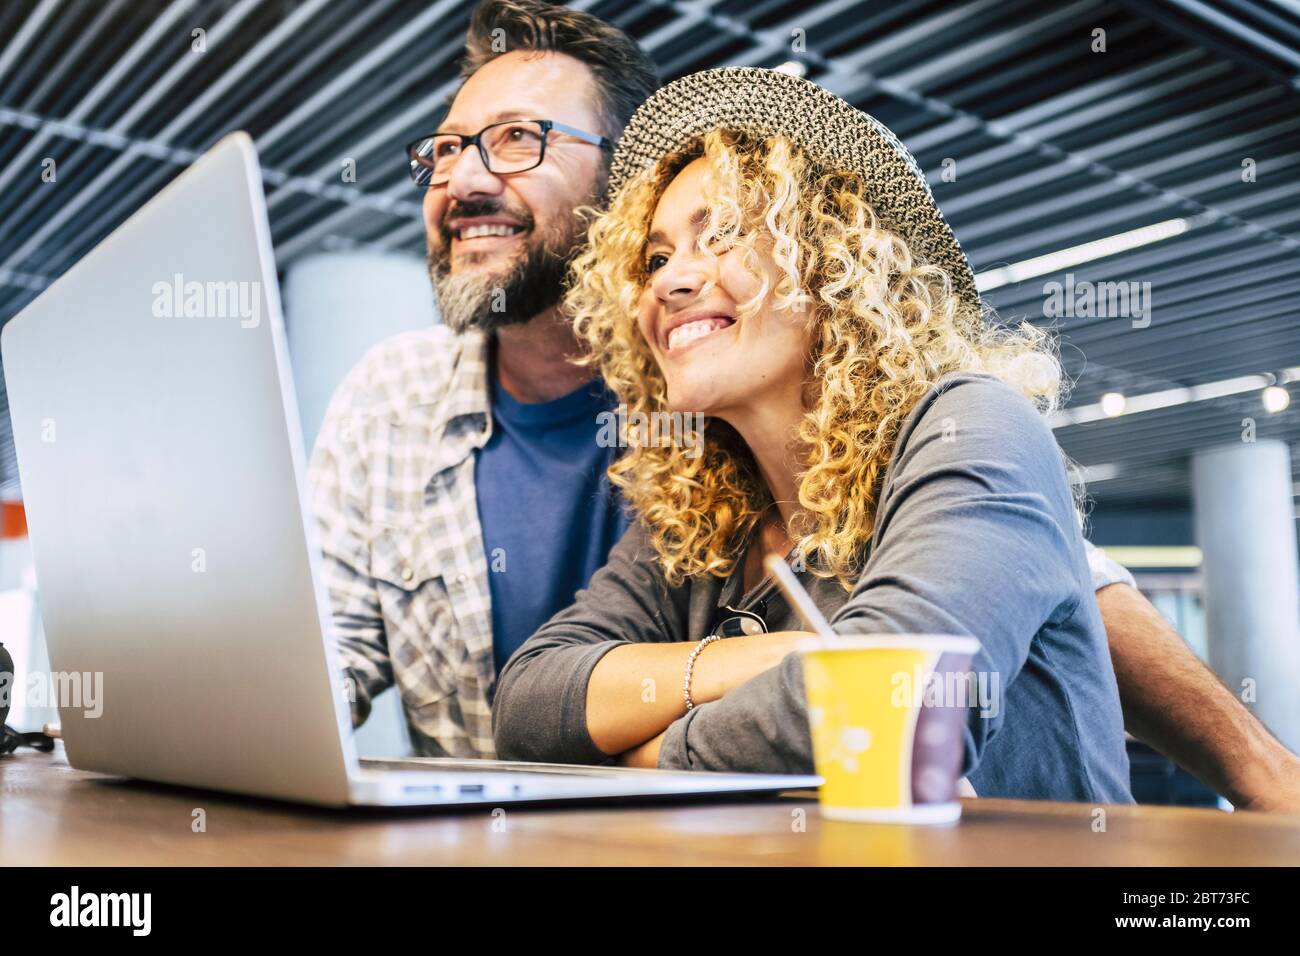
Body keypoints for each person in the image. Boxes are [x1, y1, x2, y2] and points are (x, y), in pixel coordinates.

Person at [309, 0, 1300, 809]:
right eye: (441, 150)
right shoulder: (698, 472)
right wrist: (780, 666)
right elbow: (524, 699)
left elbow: (969, 632)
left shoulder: (953, 426)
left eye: (515, 139)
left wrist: (1260, 771)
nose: (461, 175)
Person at [492, 69, 1135, 800]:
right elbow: (528, 705)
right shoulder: (704, 520)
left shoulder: (974, 429)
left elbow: (894, 714)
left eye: (723, 233)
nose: (669, 282)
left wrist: (634, 755)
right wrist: (769, 660)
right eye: (657, 258)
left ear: (833, 262)